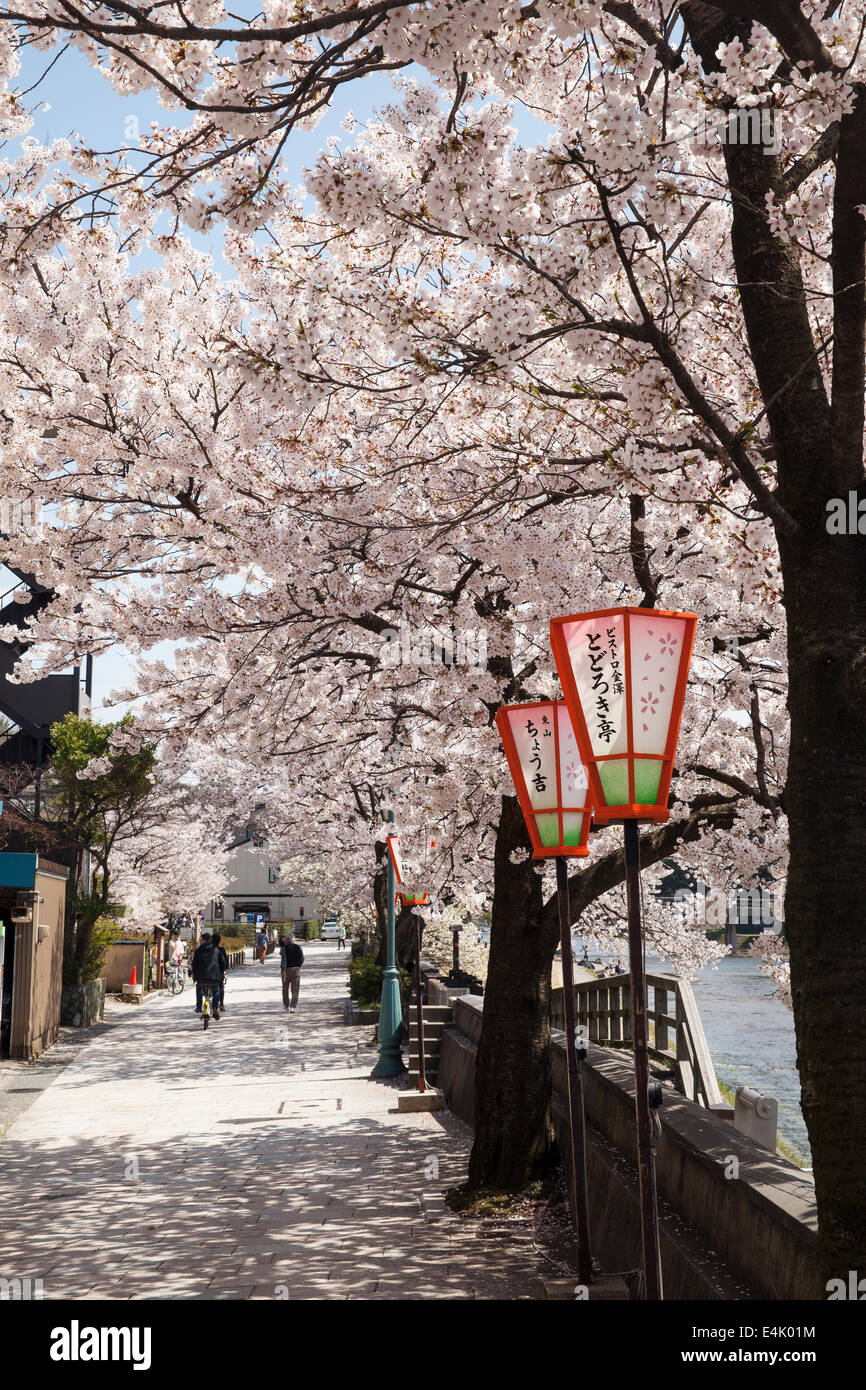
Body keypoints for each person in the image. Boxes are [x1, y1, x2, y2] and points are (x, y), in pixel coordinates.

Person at [190, 932, 221, 1018]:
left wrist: (194, 974)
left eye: (200, 939)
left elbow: (194, 964)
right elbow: (223, 963)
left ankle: (199, 1006)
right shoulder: (216, 949)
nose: (199, 941)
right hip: (213, 977)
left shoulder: (198, 950)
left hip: (201, 977)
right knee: (216, 990)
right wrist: (222, 971)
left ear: (204, 940)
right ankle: (215, 1007)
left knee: (199, 987)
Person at [280, 933, 304, 1011]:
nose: (284, 940)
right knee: (295, 988)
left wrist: (283, 971)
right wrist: (298, 966)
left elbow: (284, 961)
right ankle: (293, 1006)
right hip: (296, 970)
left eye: (286, 938)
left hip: (286, 970)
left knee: (285, 988)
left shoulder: (284, 948)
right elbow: (302, 959)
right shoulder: (298, 947)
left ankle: (286, 1005)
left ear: (289, 939)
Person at [212, 931, 229, 1013]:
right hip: (219, 973)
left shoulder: (208, 949)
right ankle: (221, 1004)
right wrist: (224, 970)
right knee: (220, 987)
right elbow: (225, 962)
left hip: (207, 973)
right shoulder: (221, 950)